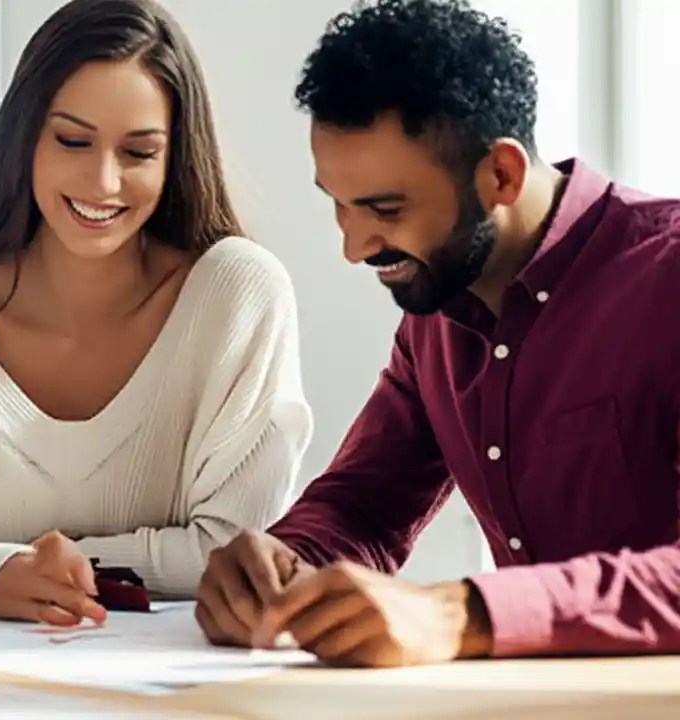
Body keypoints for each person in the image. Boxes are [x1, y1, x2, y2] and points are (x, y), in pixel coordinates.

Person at [196, 0, 680, 667]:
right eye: (337, 202)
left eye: (384, 209)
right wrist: (282, 562)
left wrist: (464, 614)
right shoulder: (436, 315)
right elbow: (365, 506)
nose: (353, 245)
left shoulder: (667, 278)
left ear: (501, 175)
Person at [0, 0, 312, 626]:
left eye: (138, 153)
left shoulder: (237, 294)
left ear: (174, 156)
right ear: (25, 137)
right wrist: (3, 577)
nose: (102, 182)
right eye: (72, 140)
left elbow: (236, 550)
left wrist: (33, 568)